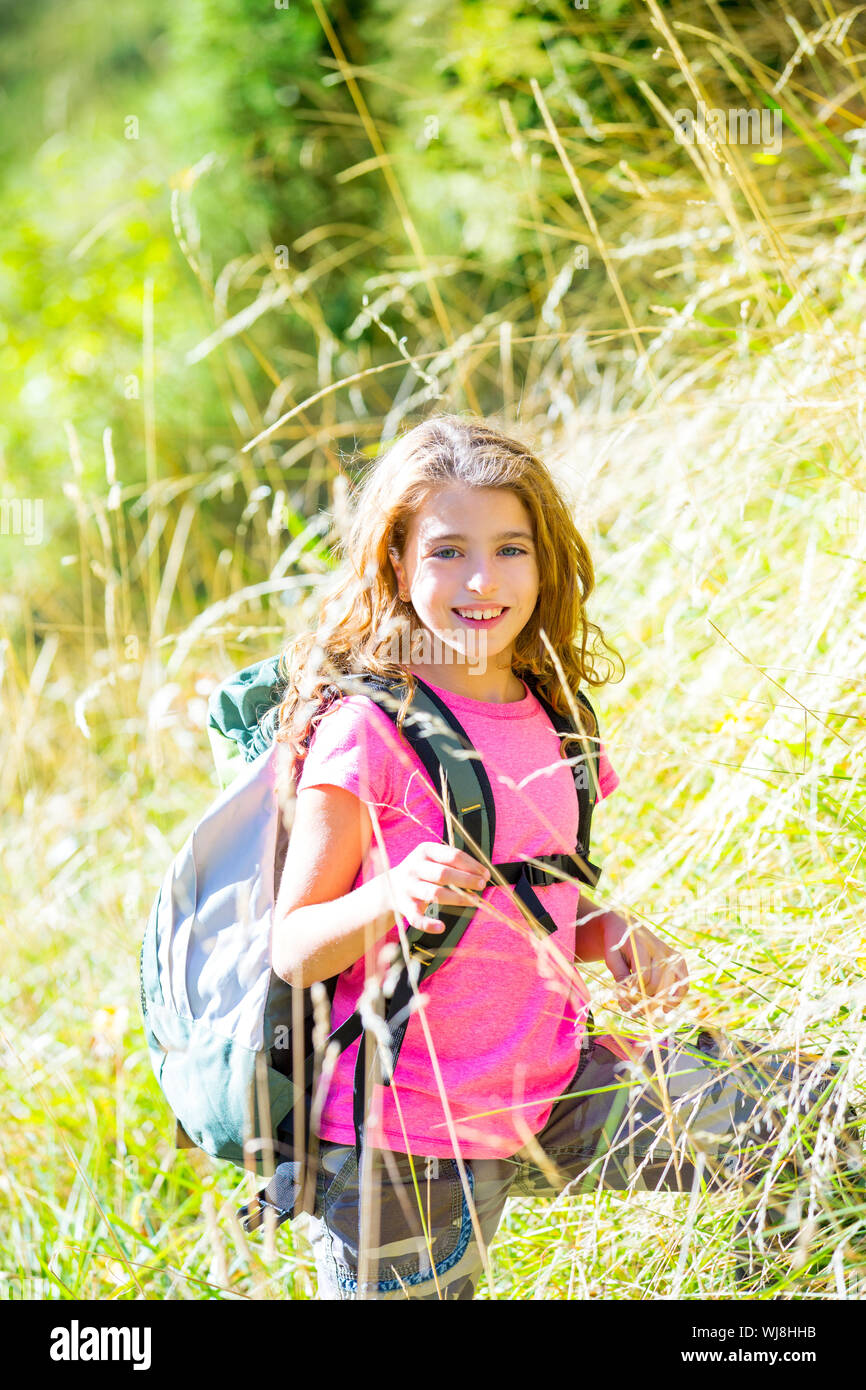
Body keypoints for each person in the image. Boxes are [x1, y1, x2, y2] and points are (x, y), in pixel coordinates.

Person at [268, 414, 859, 1300]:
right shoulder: (367, 732)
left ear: (545, 562)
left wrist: (608, 931)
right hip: (407, 1144)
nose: (482, 580)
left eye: (510, 549)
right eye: (447, 552)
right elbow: (295, 948)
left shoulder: (558, 717)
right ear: (395, 562)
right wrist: (392, 892)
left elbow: (532, 900)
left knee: (821, 1125)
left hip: (559, 1086)